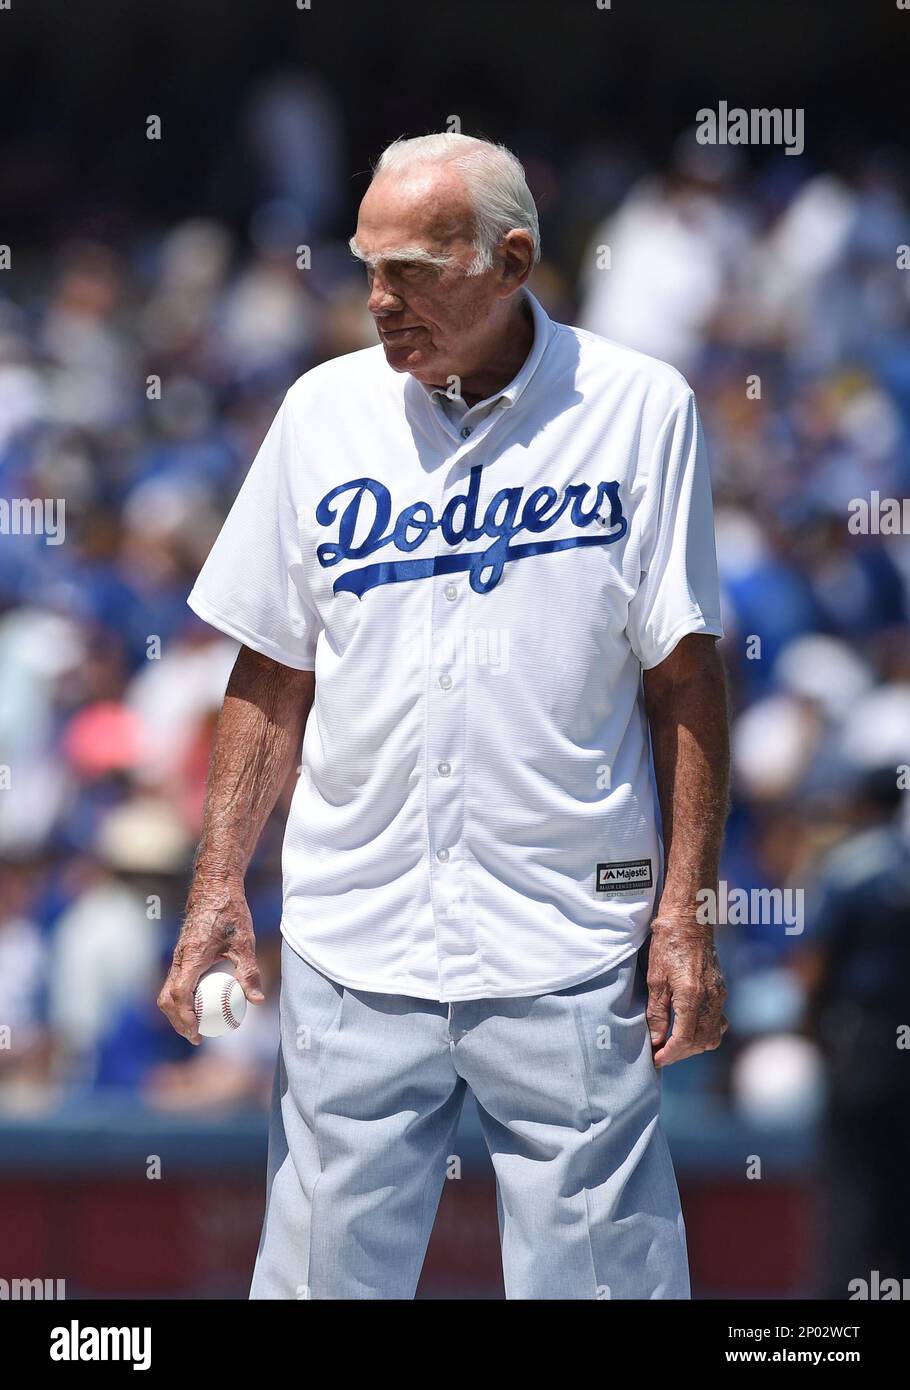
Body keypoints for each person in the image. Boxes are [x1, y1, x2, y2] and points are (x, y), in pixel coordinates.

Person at [158, 132, 730, 1300]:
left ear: (511, 259)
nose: (378, 299)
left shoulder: (637, 409)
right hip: (353, 938)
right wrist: (217, 883)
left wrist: (685, 913)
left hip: (570, 942)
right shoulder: (323, 414)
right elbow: (271, 671)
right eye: (368, 267)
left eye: (413, 269)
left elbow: (685, 680)